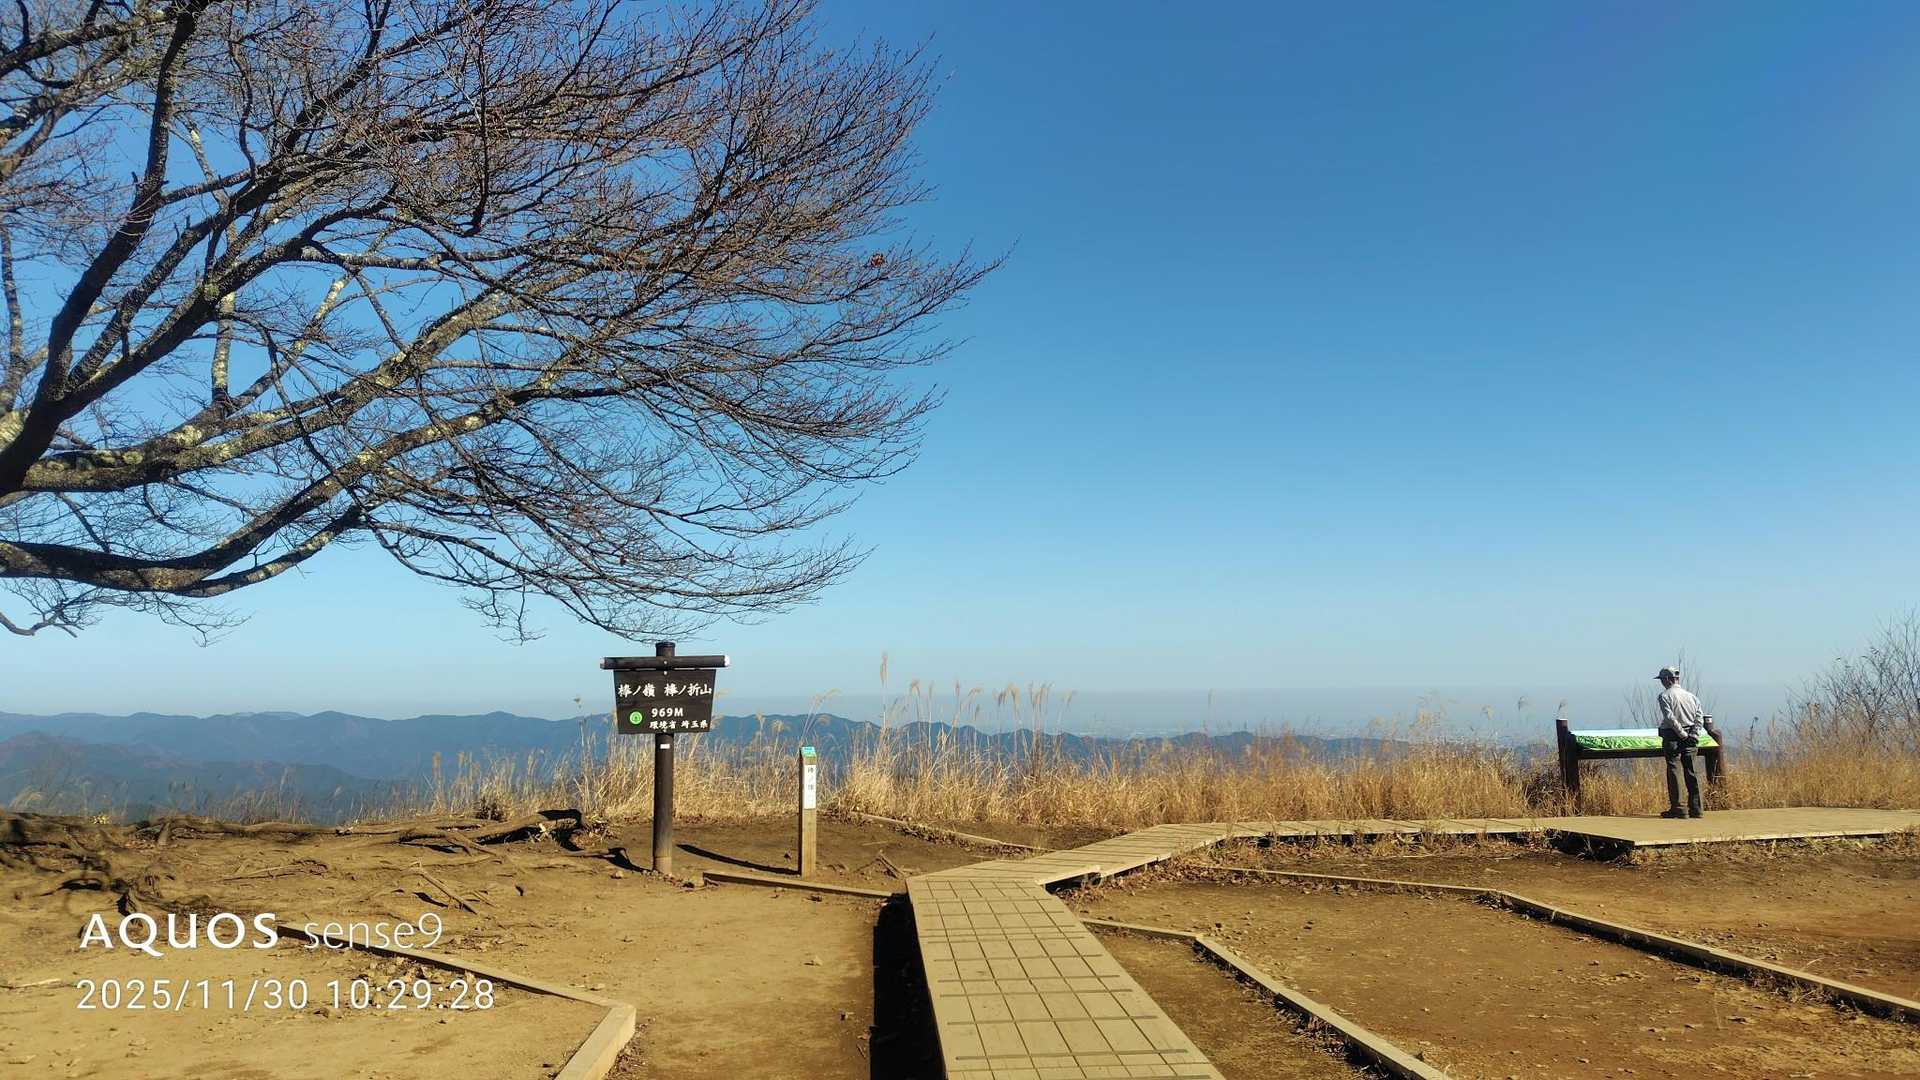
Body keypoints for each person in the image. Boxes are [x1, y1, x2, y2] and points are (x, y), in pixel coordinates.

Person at [1655, 666, 1705, 819]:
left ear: (1668, 679)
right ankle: (1697, 809)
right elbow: (1699, 717)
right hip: (1691, 735)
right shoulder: (1691, 696)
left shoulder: (1664, 696)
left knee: (1674, 769)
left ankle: (1679, 808)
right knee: (1692, 771)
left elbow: (1670, 718)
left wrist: (1682, 735)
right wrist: (1693, 735)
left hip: (1673, 736)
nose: (1662, 683)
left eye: (1663, 680)